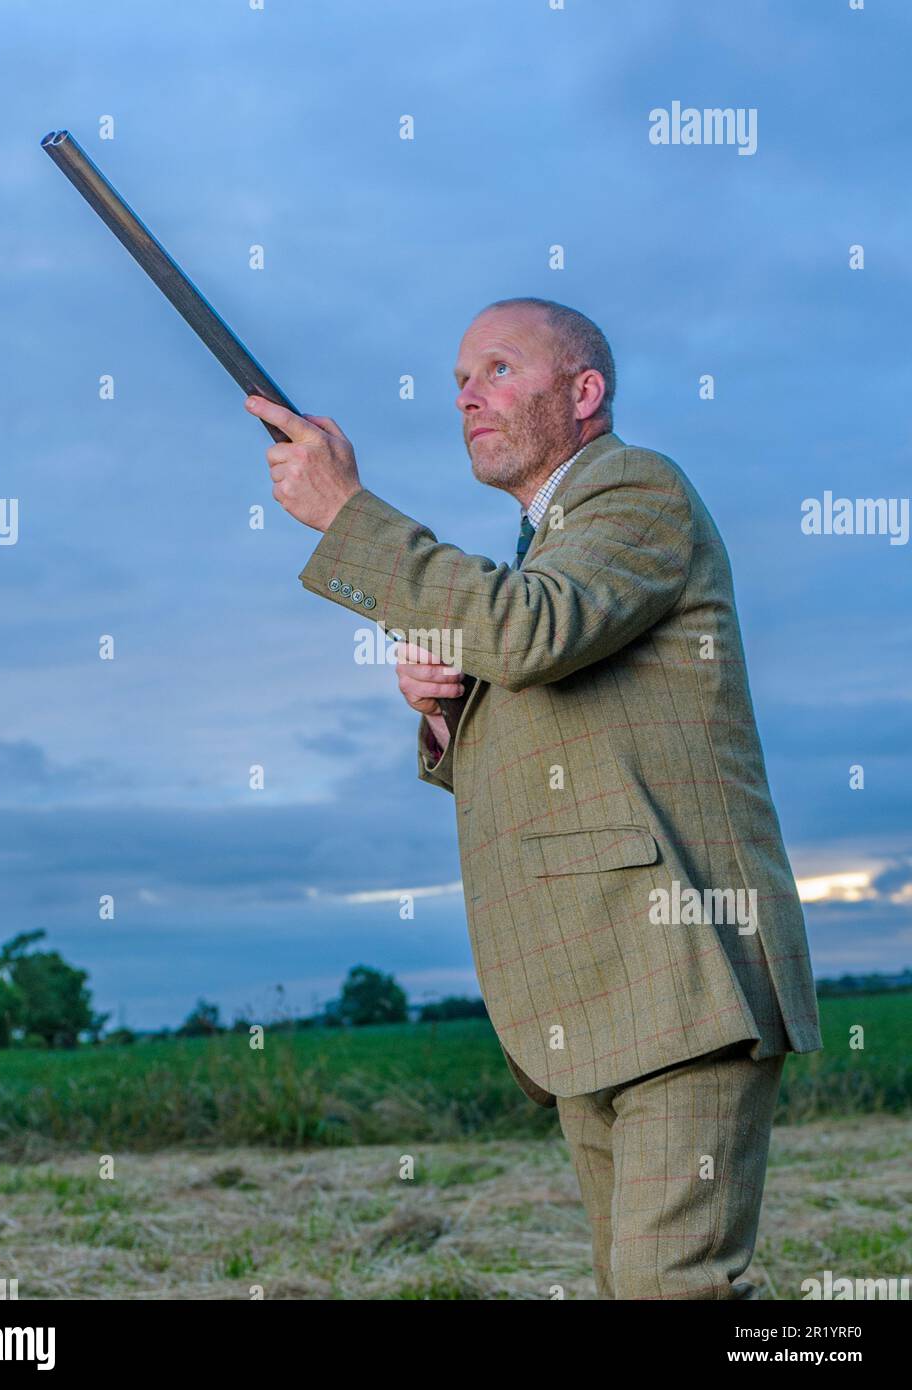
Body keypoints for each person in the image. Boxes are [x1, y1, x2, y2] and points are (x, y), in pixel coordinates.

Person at [246, 296, 822, 1300]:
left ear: (585, 393)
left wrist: (348, 512)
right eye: (460, 380)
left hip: (684, 973)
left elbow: (531, 631)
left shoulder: (637, 490)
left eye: (499, 370)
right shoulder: (540, 547)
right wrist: (444, 713)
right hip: (596, 988)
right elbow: (538, 678)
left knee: (671, 1288)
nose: (468, 395)